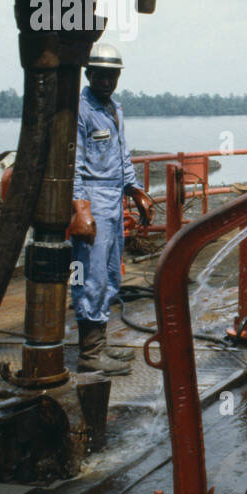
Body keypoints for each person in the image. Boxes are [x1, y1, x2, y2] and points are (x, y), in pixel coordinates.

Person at [70, 42, 154, 375]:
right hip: (92, 198)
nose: (106, 82)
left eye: (112, 76)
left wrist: (135, 190)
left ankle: (100, 344)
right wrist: (80, 208)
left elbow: (122, 155)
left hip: (114, 200)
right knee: (88, 275)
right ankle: (89, 353)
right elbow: (73, 164)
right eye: (101, 75)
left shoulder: (115, 109)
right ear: (88, 74)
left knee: (110, 275)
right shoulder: (80, 111)